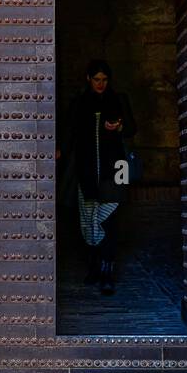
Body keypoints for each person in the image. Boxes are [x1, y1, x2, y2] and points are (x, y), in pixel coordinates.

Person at [58, 61, 137, 295]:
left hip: (114, 170)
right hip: (86, 171)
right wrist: (59, 151)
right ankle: (93, 266)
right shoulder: (79, 103)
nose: (101, 84)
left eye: (104, 79)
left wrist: (119, 126)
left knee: (110, 221)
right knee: (89, 221)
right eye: (96, 79)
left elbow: (132, 128)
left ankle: (107, 271)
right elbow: (70, 133)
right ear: (88, 79)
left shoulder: (119, 100)